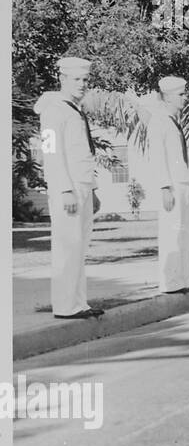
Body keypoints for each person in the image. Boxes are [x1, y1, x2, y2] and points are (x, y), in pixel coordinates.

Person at [35, 57, 103, 318]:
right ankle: (65, 306)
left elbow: (82, 153)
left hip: (83, 187)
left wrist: (93, 190)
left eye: (85, 79)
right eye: (76, 79)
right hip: (69, 189)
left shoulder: (75, 109)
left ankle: (79, 304)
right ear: (62, 79)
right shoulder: (53, 110)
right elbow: (51, 154)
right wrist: (64, 190)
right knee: (67, 247)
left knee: (79, 248)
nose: (82, 84)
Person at [153, 76, 189, 293]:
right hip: (171, 186)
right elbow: (158, 157)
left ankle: (183, 280)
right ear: (167, 97)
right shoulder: (159, 121)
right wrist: (164, 187)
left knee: (184, 234)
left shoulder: (173, 122)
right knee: (172, 234)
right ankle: (171, 283)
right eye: (180, 95)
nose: (184, 98)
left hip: (183, 184)